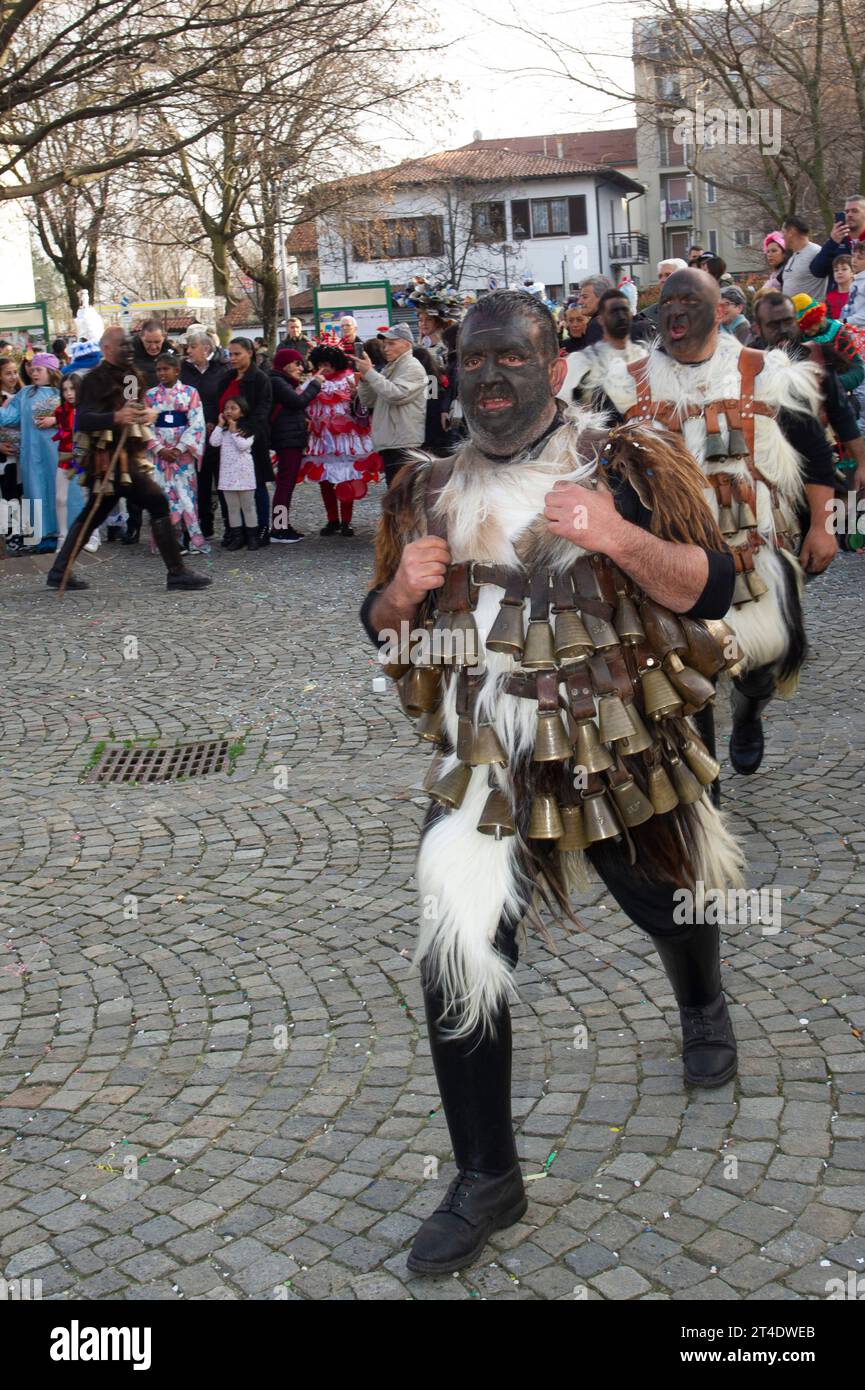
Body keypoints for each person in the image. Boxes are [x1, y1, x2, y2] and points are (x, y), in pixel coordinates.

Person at [361, 289, 745, 1274]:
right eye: (473, 360)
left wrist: (616, 536)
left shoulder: (625, 459)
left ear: (553, 365)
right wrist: (398, 593)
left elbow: (710, 586)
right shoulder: (421, 489)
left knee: (667, 903)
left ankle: (699, 997)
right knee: (457, 944)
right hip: (488, 754)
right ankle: (487, 1176)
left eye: (510, 358)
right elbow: (388, 629)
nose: (489, 377)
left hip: (613, 742)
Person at [595, 268, 838, 777]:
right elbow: (593, 465)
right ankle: (704, 791)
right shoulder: (624, 385)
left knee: (762, 666)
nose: (676, 311)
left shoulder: (765, 372)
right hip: (668, 563)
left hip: (754, 554)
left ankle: (749, 716)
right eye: (667, 303)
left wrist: (823, 525)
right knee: (684, 681)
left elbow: (815, 455)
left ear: (719, 309)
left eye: (690, 300)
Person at [45, 328, 211, 591]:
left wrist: (143, 414)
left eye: (130, 344)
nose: (130, 348)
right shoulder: (94, 380)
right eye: (123, 344)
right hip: (108, 460)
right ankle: (176, 572)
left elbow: (132, 404)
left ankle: (59, 570)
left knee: (94, 513)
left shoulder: (131, 375)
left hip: (128, 453)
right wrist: (115, 418)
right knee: (157, 502)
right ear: (107, 349)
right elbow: (84, 419)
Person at [299, 344, 380, 536]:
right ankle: (332, 520)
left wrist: (355, 396)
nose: (324, 367)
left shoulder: (350, 379)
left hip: (346, 442)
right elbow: (301, 403)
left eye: (327, 364)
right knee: (325, 480)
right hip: (323, 441)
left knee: (347, 478)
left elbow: (365, 406)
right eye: (320, 364)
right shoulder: (314, 382)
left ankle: (346, 521)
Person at [145, 353, 208, 555]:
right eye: (159, 370)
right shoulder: (150, 396)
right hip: (160, 456)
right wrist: (159, 448)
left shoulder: (190, 393)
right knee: (164, 497)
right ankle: (170, 539)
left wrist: (180, 448)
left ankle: (192, 537)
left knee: (187, 495)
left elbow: (197, 424)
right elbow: (145, 426)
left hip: (183, 455)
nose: (162, 373)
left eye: (166, 369)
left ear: (177, 371)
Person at [0, 350, 62, 552]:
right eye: (32, 369)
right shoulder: (25, 393)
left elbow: (76, 418)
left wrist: (56, 420)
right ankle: (39, 536)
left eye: (39, 369)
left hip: (56, 452)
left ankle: (60, 533)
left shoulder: (62, 392)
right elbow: (9, 417)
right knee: (33, 492)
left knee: (57, 491)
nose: (34, 373)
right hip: (31, 454)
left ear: (51, 371)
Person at [354, 324, 428, 487]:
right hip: (393, 439)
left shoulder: (412, 366)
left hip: (403, 441)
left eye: (391, 344)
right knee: (396, 494)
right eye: (385, 344)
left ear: (407, 344)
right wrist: (366, 380)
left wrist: (370, 373)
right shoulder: (392, 367)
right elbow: (369, 401)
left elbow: (397, 395)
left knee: (402, 495)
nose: (386, 349)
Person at [218, 337, 273, 544]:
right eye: (230, 354)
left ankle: (261, 528)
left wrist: (244, 430)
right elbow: (219, 402)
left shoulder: (260, 379)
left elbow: (262, 410)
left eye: (237, 354)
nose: (232, 358)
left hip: (251, 437)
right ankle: (236, 530)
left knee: (256, 485)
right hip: (226, 438)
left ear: (250, 353)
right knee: (230, 486)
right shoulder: (227, 377)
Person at [268, 347, 324, 542]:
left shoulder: (282, 381)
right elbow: (297, 402)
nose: (300, 368)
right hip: (287, 440)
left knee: (287, 484)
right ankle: (279, 527)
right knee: (285, 484)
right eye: (297, 363)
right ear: (285, 364)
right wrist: (315, 384)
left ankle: (281, 524)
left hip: (291, 437)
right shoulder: (277, 381)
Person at [560, 288, 649, 408]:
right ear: (601, 319)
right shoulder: (579, 361)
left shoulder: (644, 357)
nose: (621, 317)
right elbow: (565, 405)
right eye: (613, 312)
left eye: (624, 310)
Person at [181, 331, 229, 541]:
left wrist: (216, 421)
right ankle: (203, 524)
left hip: (218, 431)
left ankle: (231, 527)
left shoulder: (222, 369)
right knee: (199, 482)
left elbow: (225, 399)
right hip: (193, 435)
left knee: (222, 481)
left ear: (206, 349)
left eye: (192, 347)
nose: (188, 351)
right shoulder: (185, 370)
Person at [52, 373, 93, 553]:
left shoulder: (88, 409)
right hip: (65, 455)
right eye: (65, 390)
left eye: (72, 388)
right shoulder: (60, 411)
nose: (69, 393)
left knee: (87, 496)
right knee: (60, 498)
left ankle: (93, 536)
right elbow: (62, 432)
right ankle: (63, 536)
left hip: (84, 455)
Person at [211, 398, 258, 550]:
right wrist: (220, 425)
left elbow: (243, 446)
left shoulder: (248, 429)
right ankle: (237, 536)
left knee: (248, 506)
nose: (229, 411)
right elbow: (213, 442)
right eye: (226, 408)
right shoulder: (223, 432)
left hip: (244, 473)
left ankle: (252, 536)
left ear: (242, 412)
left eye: (233, 408)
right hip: (227, 475)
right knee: (232, 508)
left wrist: (234, 432)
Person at [809, 194, 865, 292]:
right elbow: (817, 271)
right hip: (838, 300)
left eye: (855, 211)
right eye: (847, 212)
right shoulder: (837, 240)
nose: (849, 215)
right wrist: (832, 242)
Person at [781, 217, 828, 301]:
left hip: (811, 312)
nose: (782, 236)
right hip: (791, 313)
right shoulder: (792, 257)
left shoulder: (816, 252)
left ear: (791, 232)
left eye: (783, 232)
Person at [577, 275, 613, 346]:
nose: (579, 302)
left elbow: (597, 356)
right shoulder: (617, 318)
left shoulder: (597, 324)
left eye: (585, 297)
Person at [827, 254, 854, 320]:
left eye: (844, 269)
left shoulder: (858, 295)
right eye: (836, 270)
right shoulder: (828, 297)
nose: (839, 272)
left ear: (853, 272)